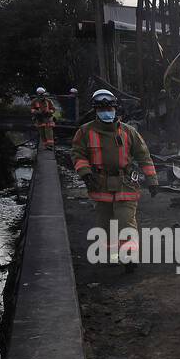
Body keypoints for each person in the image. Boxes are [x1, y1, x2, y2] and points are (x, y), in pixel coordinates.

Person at [70, 89, 158, 272]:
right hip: (100, 184)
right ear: (95, 110)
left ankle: (129, 258)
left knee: (126, 221)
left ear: (115, 108)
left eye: (109, 107)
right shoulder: (85, 132)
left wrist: (152, 179)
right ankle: (111, 256)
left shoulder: (128, 132)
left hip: (125, 183)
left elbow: (144, 156)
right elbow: (78, 154)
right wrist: (85, 173)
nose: (106, 111)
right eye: (102, 108)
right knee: (106, 223)